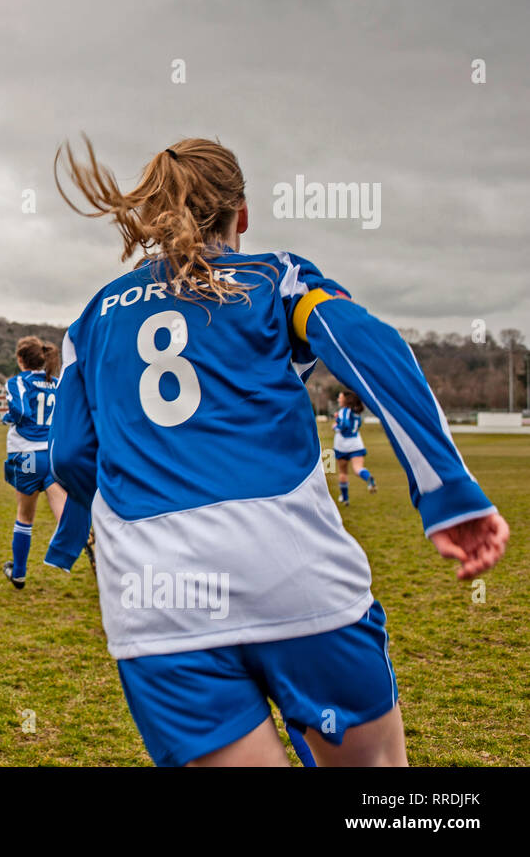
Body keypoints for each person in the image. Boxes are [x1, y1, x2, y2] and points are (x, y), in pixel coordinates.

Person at [50, 137, 508, 767]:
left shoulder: (93, 316)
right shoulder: (275, 277)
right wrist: (448, 493)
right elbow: (365, 341)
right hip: (292, 571)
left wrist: (88, 534)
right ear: (242, 214)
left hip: (155, 595)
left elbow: (71, 453)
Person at [0, 336, 69, 589]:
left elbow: (20, 411)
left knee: (25, 515)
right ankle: (86, 541)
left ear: (21, 359)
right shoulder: (57, 383)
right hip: (53, 454)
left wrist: (9, 416)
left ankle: (18, 573)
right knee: (64, 514)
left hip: (27, 455)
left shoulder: (18, 381)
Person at [334, 390, 376, 504]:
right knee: (358, 469)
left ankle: (345, 498)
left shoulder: (344, 411)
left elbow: (345, 425)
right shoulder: (356, 412)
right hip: (356, 444)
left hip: (342, 445)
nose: (338, 399)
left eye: (340, 397)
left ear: (345, 400)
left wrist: (336, 426)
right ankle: (368, 478)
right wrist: (338, 419)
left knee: (343, 472)